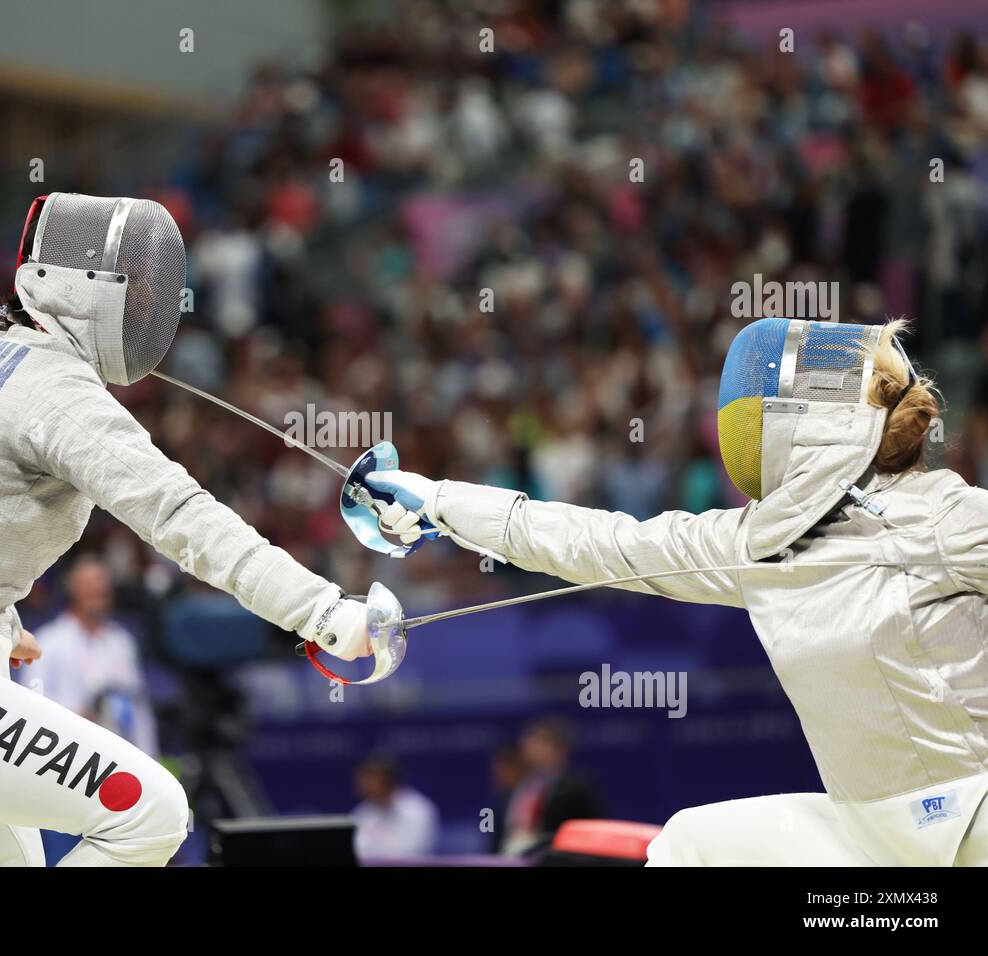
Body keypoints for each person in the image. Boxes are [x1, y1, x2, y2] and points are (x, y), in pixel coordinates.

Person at [0, 194, 387, 867]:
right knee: (151, 812)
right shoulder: (53, 388)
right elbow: (180, 516)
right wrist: (322, 612)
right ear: (89, 292)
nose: (151, 312)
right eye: (136, 293)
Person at [367, 318, 988, 866]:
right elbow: (597, 542)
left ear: (811, 423)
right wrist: (439, 501)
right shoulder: (751, 546)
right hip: (874, 838)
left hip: (974, 817)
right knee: (688, 846)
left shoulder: (945, 518)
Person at [19, 556, 157, 756]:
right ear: (74, 590)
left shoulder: (120, 642)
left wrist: (150, 757)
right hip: (66, 749)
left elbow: (138, 706)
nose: (99, 592)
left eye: (103, 589)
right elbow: (30, 702)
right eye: (91, 587)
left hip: (118, 752)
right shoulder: (49, 641)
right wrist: (76, 715)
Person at [499, 719, 601, 856]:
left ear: (559, 750)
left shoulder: (576, 789)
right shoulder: (514, 788)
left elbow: (592, 833)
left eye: (539, 742)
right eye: (529, 741)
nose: (530, 747)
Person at [350, 754, 439, 861]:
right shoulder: (363, 811)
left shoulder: (417, 810)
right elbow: (355, 849)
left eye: (370, 777)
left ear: (387, 779)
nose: (362, 782)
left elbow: (411, 852)